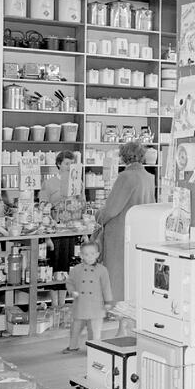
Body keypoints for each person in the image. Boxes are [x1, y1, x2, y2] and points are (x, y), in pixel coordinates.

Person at [95, 140, 156, 300]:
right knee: (135, 274)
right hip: (141, 232)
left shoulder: (126, 177)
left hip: (121, 234)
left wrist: (97, 216)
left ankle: (119, 310)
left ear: (123, 157)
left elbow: (111, 209)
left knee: (118, 275)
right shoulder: (149, 177)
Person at [63, 241, 112, 354]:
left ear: (97, 254)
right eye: (86, 254)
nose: (89, 257)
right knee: (75, 328)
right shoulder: (76, 269)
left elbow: (106, 287)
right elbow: (69, 282)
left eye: (92, 254)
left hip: (96, 306)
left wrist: (108, 301)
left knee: (94, 330)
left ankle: (94, 349)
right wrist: (72, 291)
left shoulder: (102, 270)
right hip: (81, 304)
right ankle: (73, 346)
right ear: (81, 255)